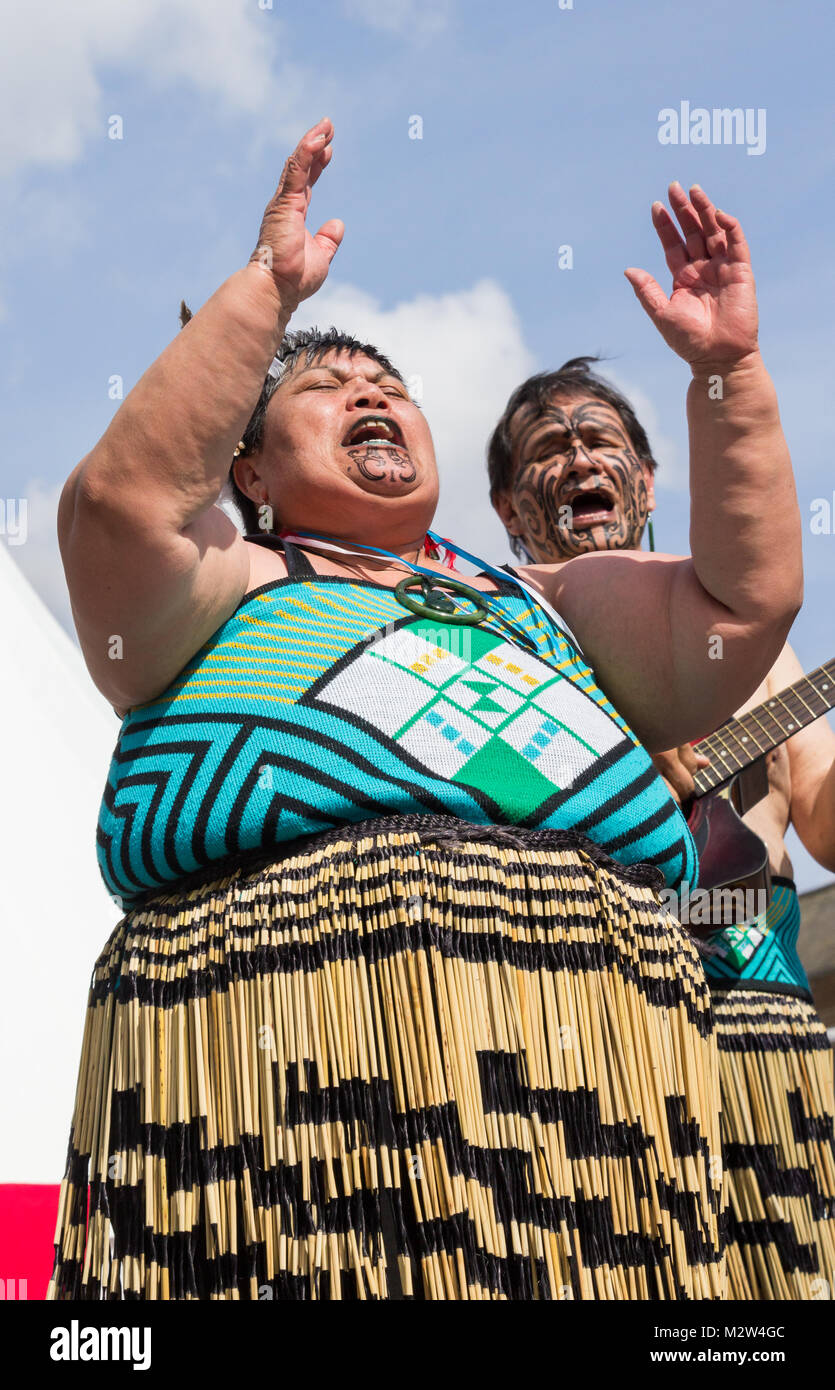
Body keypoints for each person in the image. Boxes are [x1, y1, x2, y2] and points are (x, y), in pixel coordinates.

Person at [47, 123, 801, 1301]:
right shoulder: (226, 581)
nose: (374, 393)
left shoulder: (535, 594)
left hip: (591, 1078)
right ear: (249, 470)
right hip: (290, 1052)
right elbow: (118, 506)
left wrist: (726, 377)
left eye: (389, 385)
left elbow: (736, 610)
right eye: (326, 388)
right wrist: (267, 295)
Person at [489, 344, 835, 1300]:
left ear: (644, 480)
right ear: (511, 513)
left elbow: (822, 815)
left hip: (759, 1003)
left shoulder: (753, 644)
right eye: (546, 451)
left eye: (599, 440)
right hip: (573, 1009)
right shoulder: (494, 633)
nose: (577, 458)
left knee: (777, 1281)